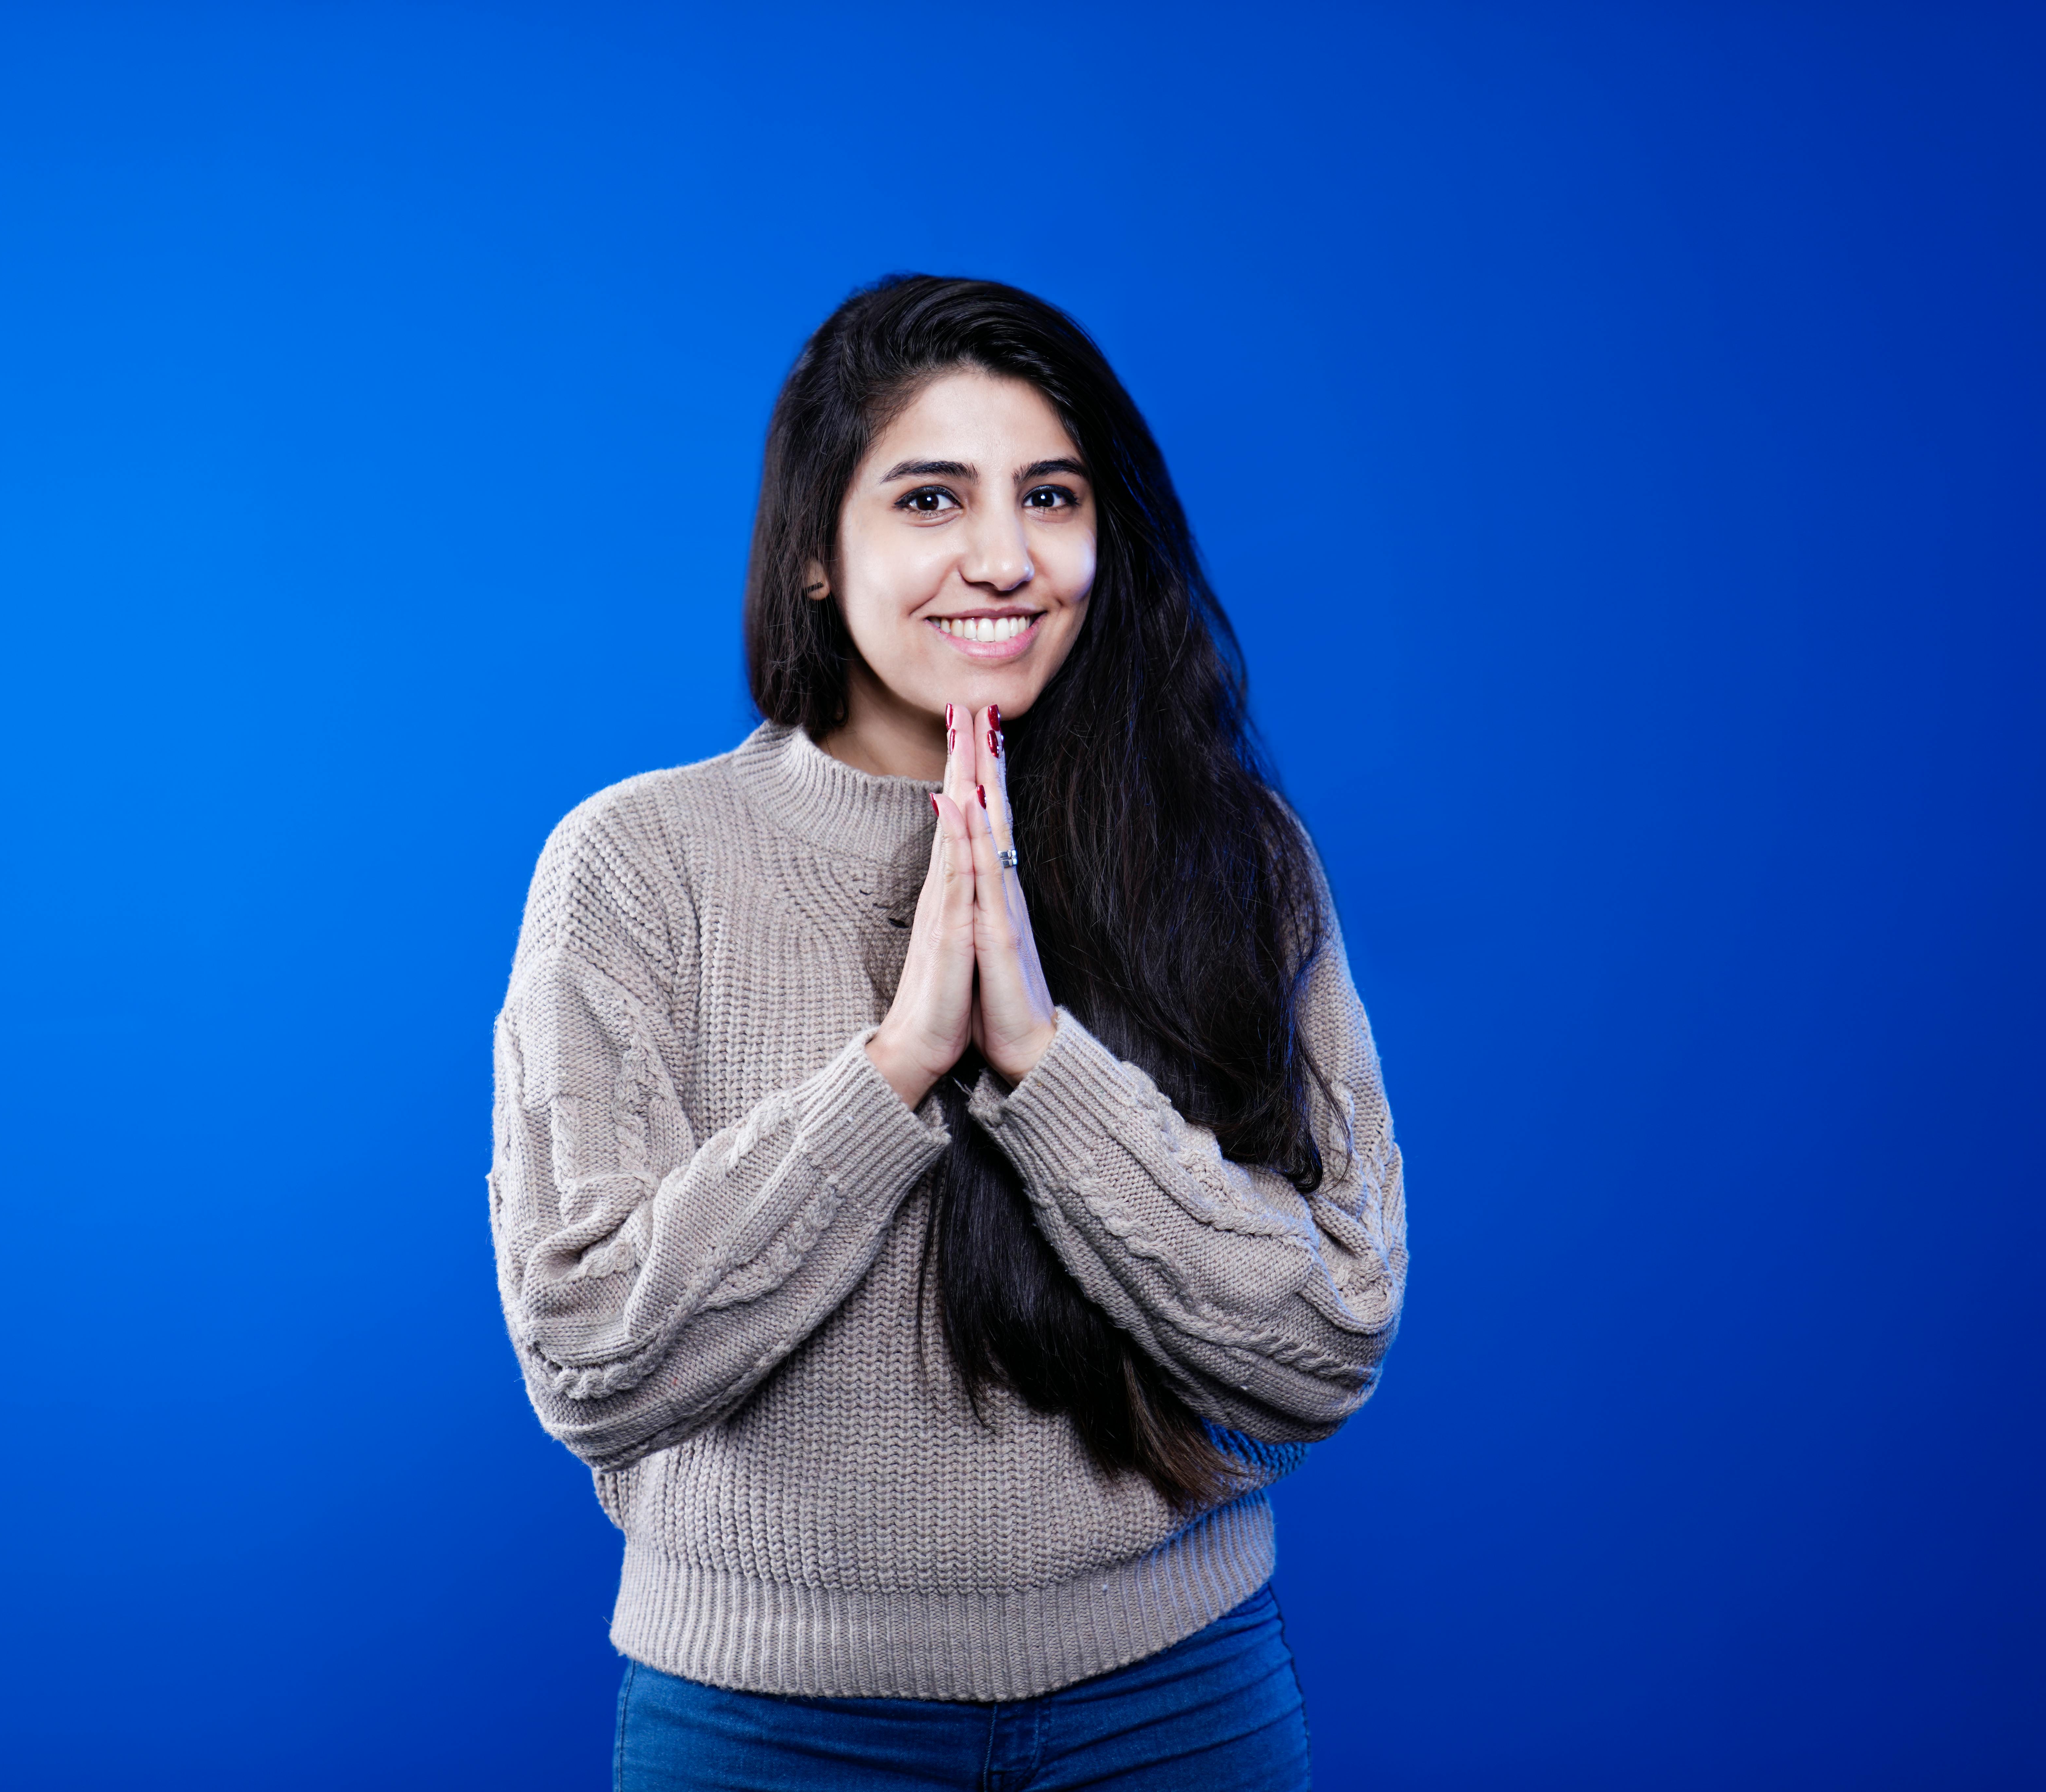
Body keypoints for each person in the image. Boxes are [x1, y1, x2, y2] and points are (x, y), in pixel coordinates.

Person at [489, 274, 1407, 1791]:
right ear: (812, 554)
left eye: (1049, 495)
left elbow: (1323, 1343)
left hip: (1176, 1708)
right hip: (768, 1728)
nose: (1002, 556)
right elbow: (592, 1361)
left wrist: (1042, 1061)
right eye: (930, 498)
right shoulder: (636, 866)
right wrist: (898, 1065)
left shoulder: (1231, 852)